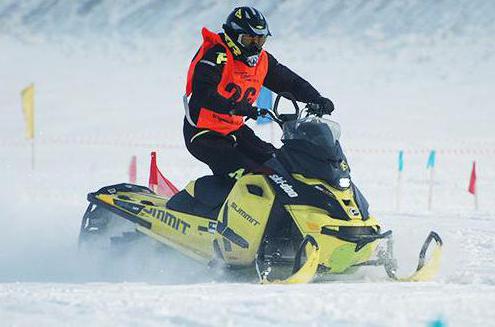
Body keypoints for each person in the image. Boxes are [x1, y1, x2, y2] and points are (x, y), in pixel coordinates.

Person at [183, 6, 334, 180]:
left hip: (234, 129)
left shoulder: (262, 61)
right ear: (233, 37)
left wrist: (316, 98)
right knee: (250, 174)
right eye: (249, 40)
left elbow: (290, 82)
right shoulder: (217, 55)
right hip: (204, 133)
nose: (255, 46)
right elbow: (203, 94)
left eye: (260, 40)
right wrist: (236, 107)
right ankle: (207, 204)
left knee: (277, 164)